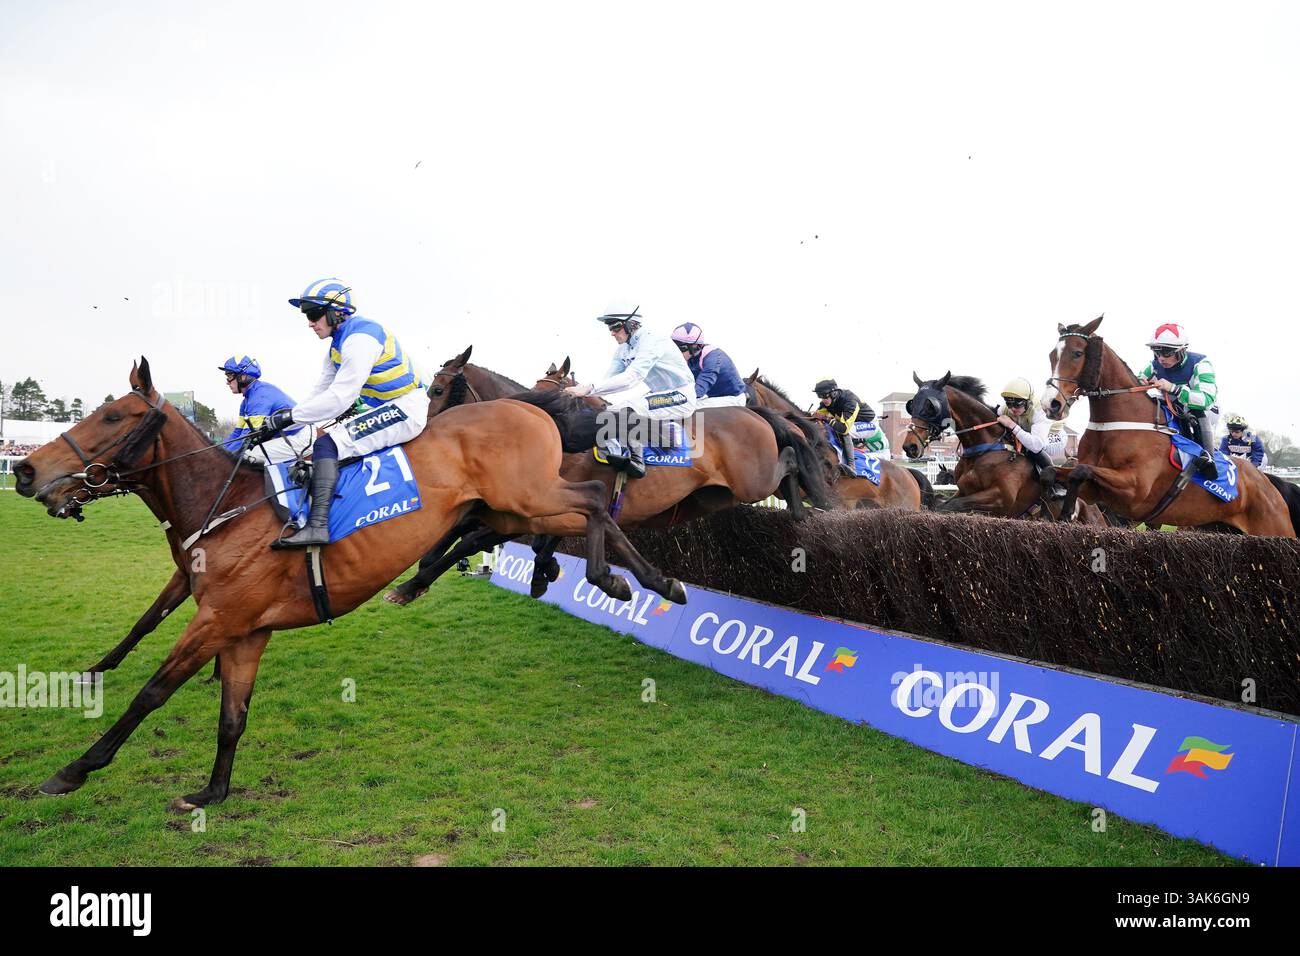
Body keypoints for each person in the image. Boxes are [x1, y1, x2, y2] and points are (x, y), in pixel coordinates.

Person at [254, 277, 428, 548]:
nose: (310, 323)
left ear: (337, 312)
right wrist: (277, 425)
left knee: (327, 444)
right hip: (386, 407)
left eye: (313, 314)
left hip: (406, 408)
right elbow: (319, 395)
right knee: (318, 446)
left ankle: (318, 527)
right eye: (307, 316)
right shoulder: (337, 347)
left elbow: (340, 397)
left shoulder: (360, 338)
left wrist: (289, 417)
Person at [564, 307, 697, 479]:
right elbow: (608, 381)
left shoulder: (652, 341)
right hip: (660, 396)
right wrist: (582, 393)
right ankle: (615, 453)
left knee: (627, 408)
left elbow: (632, 377)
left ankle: (637, 460)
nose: (612, 333)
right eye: (609, 328)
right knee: (607, 413)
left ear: (631, 324)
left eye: (615, 327)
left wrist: (588, 388)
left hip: (682, 396)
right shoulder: (623, 350)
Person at [1138, 323, 1219, 479]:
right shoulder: (1154, 365)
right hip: (1174, 405)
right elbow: (1138, 380)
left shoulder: (1201, 364)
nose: (1161, 358)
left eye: (1167, 352)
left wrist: (1174, 388)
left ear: (1181, 350)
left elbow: (1207, 399)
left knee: (1196, 411)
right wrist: (1139, 383)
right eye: (1157, 352)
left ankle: (1208, 459)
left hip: (1204, 408)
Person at [219, 355, 310, 463]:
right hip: (286, 437)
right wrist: (218, 451)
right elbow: (237, 434)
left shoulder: (259, 396)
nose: (227, 382)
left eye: (230, 376)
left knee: (248, 455)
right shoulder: (246, 401)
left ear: (243, 376)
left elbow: (247, 439)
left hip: (300, 437)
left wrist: (221, 458)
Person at [995, 377, 1059, 491]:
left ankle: (1056, 486)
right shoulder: (1005, 409)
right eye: (1009, 405)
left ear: (1028, 401)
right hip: (1029, 433)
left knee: (1032, 449)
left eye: (1017, 405)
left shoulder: (1040, 411)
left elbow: (1037, 445)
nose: (1013, 409)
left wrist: (1013, 425)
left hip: (1053, 437)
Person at [812, 378, 882, 473]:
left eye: (824, 396)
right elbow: (816, 415)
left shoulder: (850, 401)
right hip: (852, 423)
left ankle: (851, 466)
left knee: (845, 431)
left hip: (870, 424)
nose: (823, 400)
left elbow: (843, 429)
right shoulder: (826, 403)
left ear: (833, 393)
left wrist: (825, 418)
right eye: (820, 396)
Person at [670, 323, 747, 407]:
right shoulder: (687, 358)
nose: (676, 352)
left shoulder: (713, 357)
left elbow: (699, 391)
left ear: (695, 347)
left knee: (688, 407)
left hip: (733, 398)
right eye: (673, 347)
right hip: (713, 398)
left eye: (681, 348)